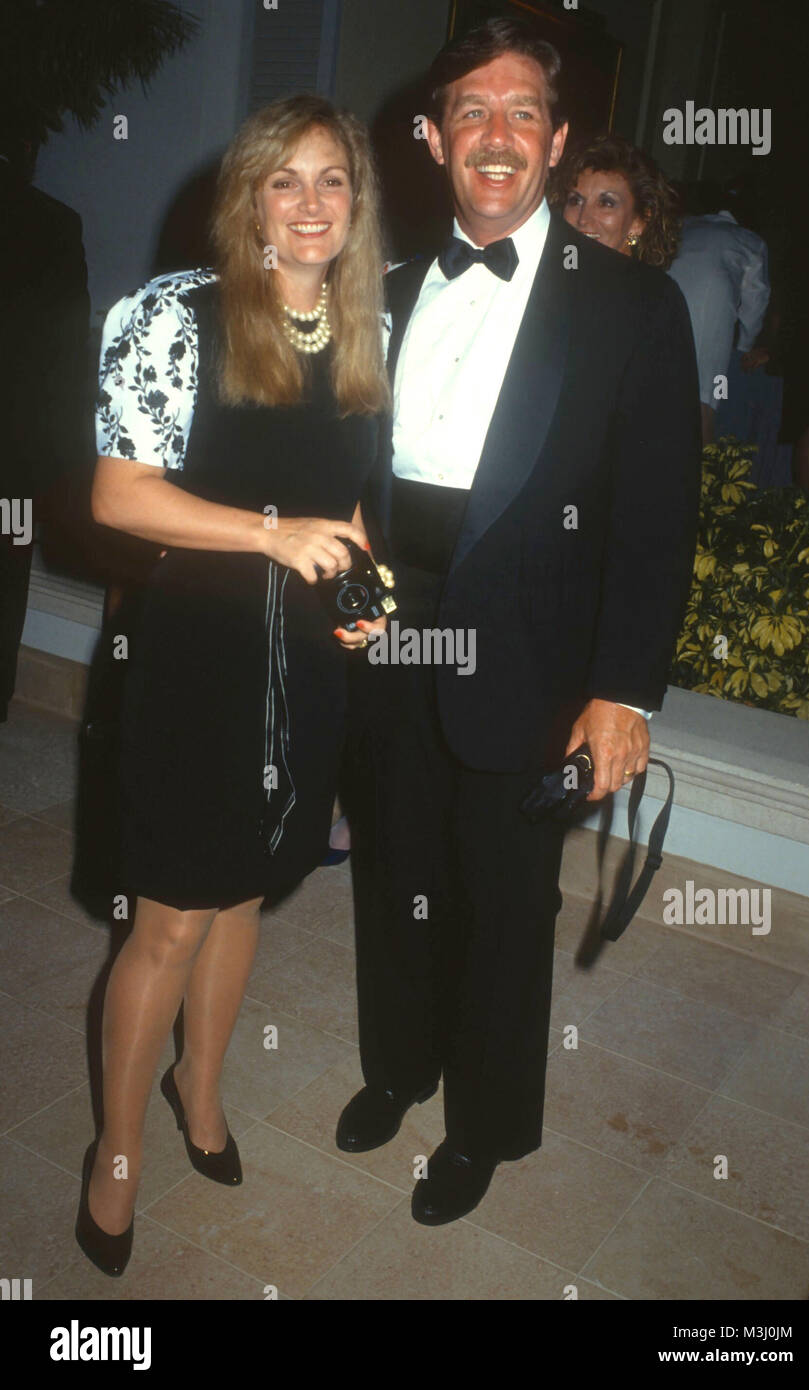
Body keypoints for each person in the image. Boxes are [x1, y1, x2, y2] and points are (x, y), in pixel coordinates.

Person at [337, 16, 701, 1226]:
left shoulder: (633, 308)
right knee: (396, 867)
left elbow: (656, 523)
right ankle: (399, 1063)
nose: (498, 136)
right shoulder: (380, 289)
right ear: (434, 138)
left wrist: (623, 691)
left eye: (524, 113)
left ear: (554, 144)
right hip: (398, 627)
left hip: (535, 642)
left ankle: (484, 1126)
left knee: (504, 897)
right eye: (473, 113)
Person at [76, 94, 389, 1276]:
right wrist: (274, 535)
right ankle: (116, 1152)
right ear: (249, 199)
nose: (312, 205)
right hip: (199, 657)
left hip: (305, 659)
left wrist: (361, 576)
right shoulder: (172, 315)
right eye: (286, 181)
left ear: (359, 204)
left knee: (252, 885)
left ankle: (197, 1089)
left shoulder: (368, 331)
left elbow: (348, 498)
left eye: (335, 181)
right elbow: (119, 497)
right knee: (171, 913)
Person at [0, 123, 90, 721]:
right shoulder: (56, 224)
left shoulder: (58, 224)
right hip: (18, 448)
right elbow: (67, 352)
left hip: (20, 446)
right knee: (7, 571)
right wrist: (62, 458)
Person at [667, 182, 770, 446]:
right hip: (711, 317)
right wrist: (745, 345)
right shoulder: (750, 240)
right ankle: (707, 482)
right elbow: (756, 300)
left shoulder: (685, 225)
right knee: (704, 405)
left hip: (664, 307)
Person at [553, 132, 679, 268]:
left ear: (638, 223)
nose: (583, 218)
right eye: (575, 201)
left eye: (606, 203)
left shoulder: (651, 288)